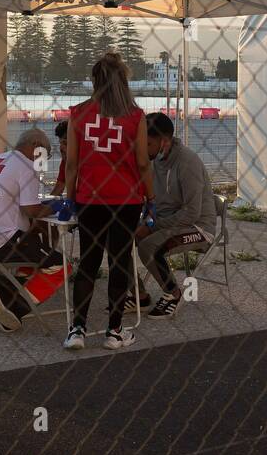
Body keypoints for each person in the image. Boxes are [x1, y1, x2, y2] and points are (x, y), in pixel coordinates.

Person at [63, 52, 152, 351]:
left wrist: (70, 197)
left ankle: (77, 328)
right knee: (119, 261)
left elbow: (72, 162)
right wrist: (150, 197)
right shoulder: (135, 116)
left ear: (94, 81)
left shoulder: (78, 113)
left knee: (88, 262)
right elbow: (142, 163)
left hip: (90, 198)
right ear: (123, 81)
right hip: (126, 200)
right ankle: (114, 331)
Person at [0, 127, 66, 333]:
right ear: (35, 146)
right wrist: (54, 207)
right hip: (1, 243)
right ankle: (15, 308)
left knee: (34, 243)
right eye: (44, 154)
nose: (43, 160)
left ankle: (2, 290)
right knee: (61, 265)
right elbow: (31, 209)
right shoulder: (26, 166)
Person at [129, 112, 218, 319]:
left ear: (165, 142)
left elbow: (191, 213)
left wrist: (152, 226)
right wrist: (144, 221)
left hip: (198, 228)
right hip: (167, 224)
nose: (143, 148)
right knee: (119, 238)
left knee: (148, 246)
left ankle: (173, 293)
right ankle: (138, 294)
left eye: (148, 143)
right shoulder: (153, 160)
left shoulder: (187, 162)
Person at [50, 120, 69, 196]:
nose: (61, 147)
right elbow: (58, 189)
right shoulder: (65, 162)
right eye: (60, 143)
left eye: (65, 143)